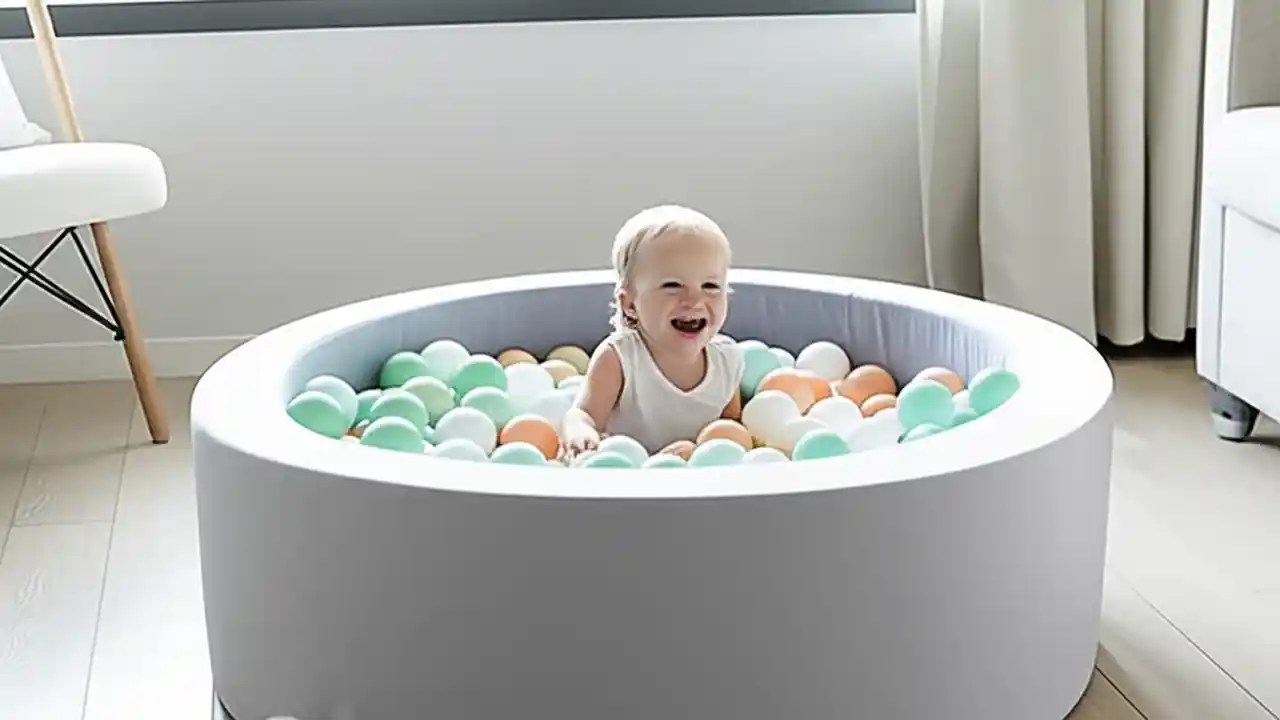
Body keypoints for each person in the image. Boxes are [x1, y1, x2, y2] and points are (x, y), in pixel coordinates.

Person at [561, 205, 744, 457]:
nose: (694, 300)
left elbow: (731, 425)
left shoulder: (728, 360)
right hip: (627, 474)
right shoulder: (620, 359)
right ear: (629, 303)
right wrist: (581, 434)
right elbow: (584, 414)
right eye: (672, 285)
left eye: (710, 286)